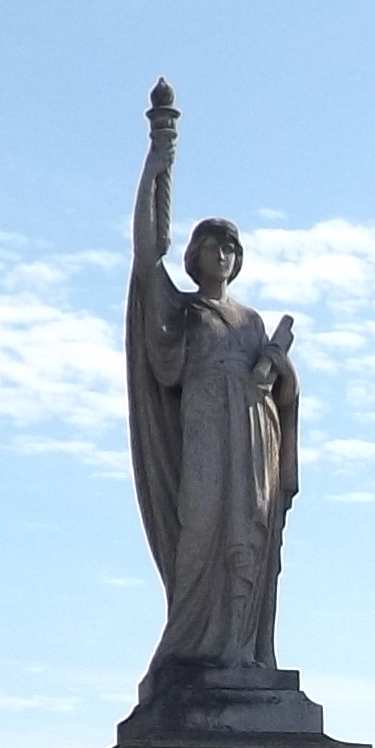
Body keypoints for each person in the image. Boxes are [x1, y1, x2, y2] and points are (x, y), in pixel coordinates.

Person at [121, 80, 299, 675]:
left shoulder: (251, 321)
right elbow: (146, 257)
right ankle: (189, 646)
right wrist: (158, 158)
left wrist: (278, 372)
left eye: (228, 249)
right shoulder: (184, 310)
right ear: (194, 257)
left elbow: (283, 394)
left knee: (246, 537)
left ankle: (242, 654)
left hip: (251, 440)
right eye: (209, 247)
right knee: (198, 532)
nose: (219, 256)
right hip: (204, 428)